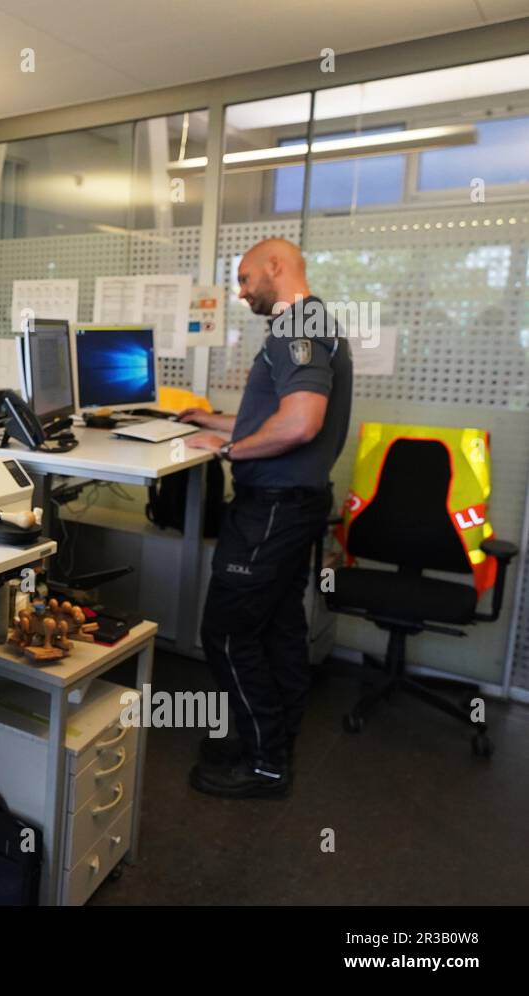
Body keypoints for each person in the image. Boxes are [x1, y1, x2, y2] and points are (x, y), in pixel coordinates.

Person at [178, 237, 353, 799]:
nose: (241, 291)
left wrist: (230, 451)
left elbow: (300, 424)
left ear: (276, 266)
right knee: (278, 629)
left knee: (226, 633)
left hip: (274, 508)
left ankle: (267, 764)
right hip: (292, 503)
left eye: (247, 278)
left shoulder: (295, 325)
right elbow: (273, 416)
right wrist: (210, 419)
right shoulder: (309, 322)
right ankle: (270, 743)